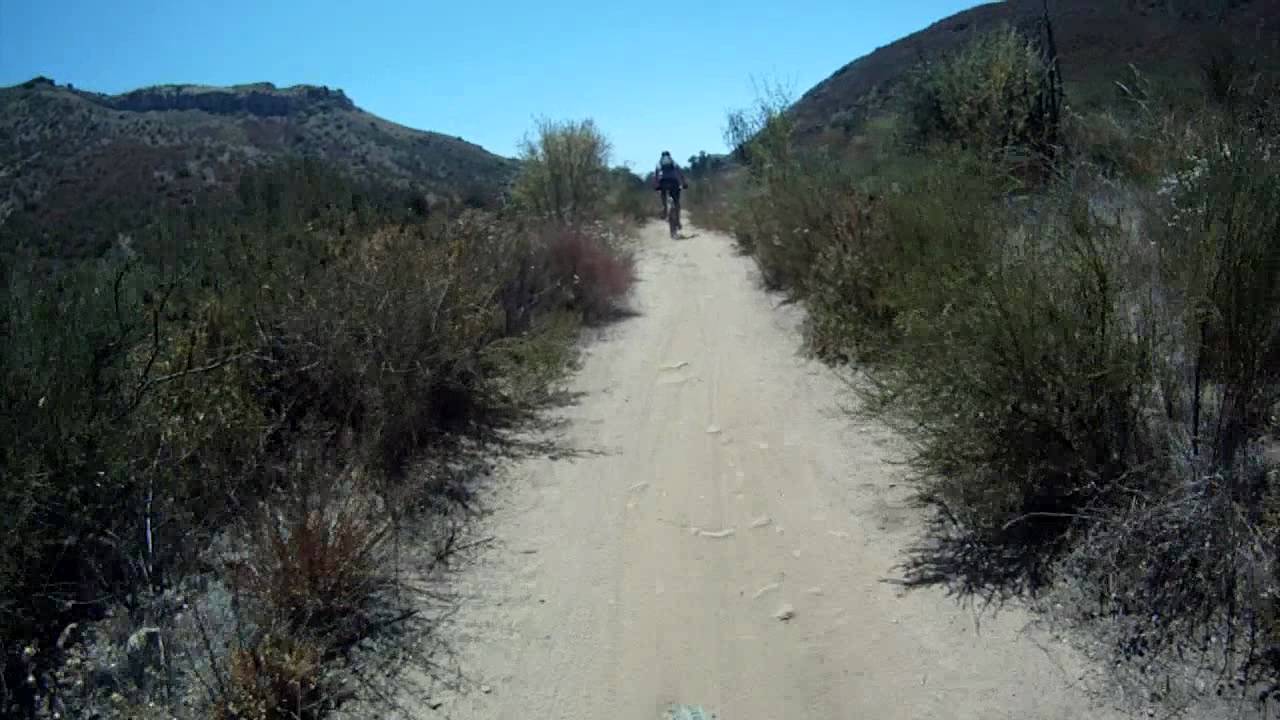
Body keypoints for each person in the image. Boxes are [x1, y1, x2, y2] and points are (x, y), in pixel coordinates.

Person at [653, 151, 688, 225]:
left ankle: (665, 209)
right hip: (674, 183)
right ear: (670, 156)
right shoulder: (674, 163)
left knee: (663, 197)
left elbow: (656, 176)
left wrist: (656, 186)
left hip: (663, 183)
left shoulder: (658, 164)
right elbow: (680, 173)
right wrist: (684, 183)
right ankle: (678, 220)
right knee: (676, 202)